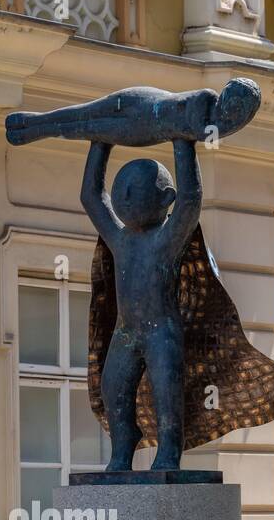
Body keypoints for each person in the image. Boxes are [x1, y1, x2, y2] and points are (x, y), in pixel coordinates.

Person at [79, 139, 201, 471]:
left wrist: (183, 141)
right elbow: (91, 197)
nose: (126, 197)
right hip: (127, 331)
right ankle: (122, 450)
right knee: (113, 390)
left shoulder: (168, 237)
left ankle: (169, 452)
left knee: (166, 393)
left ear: (166, 200)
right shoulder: (120, 238)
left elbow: (191, 199)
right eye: (123, 190)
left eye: (135, 190)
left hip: (161, 330)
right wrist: (99, 143)